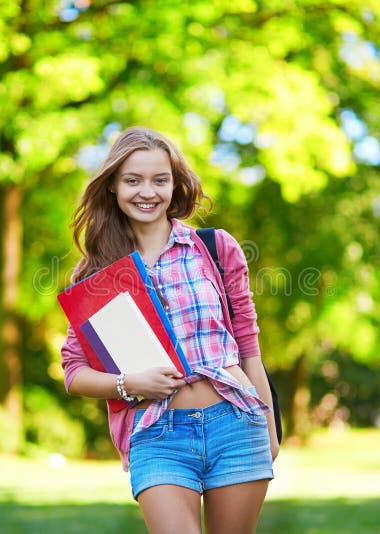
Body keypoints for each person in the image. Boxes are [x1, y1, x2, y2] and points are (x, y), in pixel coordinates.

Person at [61, 126, 279, 533]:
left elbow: (249, 348)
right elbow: (74, 373)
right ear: (112, 187)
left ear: (175, 184)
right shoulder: (97, 273)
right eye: (133, 180)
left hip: (235, 423)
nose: (148, 192)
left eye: (160, 179)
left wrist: (268, 429)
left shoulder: (215, 248)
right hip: (158, 436)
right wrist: (130, 382)